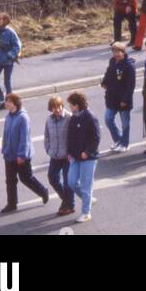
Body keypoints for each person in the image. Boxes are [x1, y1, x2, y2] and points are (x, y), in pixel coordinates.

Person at [0, 93, 50, 213]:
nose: (6, 103)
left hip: (21, 156)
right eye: (6, 101)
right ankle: (12, 203)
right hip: (9, 155)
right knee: (10, 180)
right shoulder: (8, 117)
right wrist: (4, 149)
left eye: (9, 101)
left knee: (26, 178)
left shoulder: (23, 117)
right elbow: (5, 135)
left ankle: (43, 191)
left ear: (15, 103)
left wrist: (21, 155)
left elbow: (25, 138)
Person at [65, 92, 100, 223]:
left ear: (77, 105)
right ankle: (89, 199)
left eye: (71, 105)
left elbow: (96, 138)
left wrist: (87, 152)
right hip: (75, 156)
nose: (69, 107)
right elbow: (70, 136)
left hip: (88, 158)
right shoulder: (74, 118)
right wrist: (69, 152)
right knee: (71, 182)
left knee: (86, 185)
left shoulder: (90, 117)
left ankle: (86, 212)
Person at [100, 43, 136, 152]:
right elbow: (108, 73)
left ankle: (125, 143)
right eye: (114, 52)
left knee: (125, 123)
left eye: (118, 52)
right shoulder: (112, 62)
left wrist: (125, 99)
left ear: (123, 52)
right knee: (108, 119)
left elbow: (131, 85)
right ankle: (118, 139)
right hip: (112, 98)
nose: (115, 54)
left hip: (123, 100)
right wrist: (104, 82)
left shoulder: (129, 66)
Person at [44, 96, 74, 215]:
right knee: (52, 178)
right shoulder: (49, 119)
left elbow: (74, 137)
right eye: (53, 107)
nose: (56, 109)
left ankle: (69, 205)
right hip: (55, 156)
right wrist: (48, 149)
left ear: (62, 106)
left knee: (68, 182)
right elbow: (46, 136)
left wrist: (71, 153)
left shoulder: (69, 118)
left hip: (67, 157)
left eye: (58, 106)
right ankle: (66, 201)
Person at [0, 12, 20, 109]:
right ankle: (2, 99)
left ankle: (10, 101)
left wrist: (10, 55)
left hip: (8, 61)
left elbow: (17, 45)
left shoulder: (10, 32)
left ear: (5, 20)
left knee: (7, 82)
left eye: (0, 19)